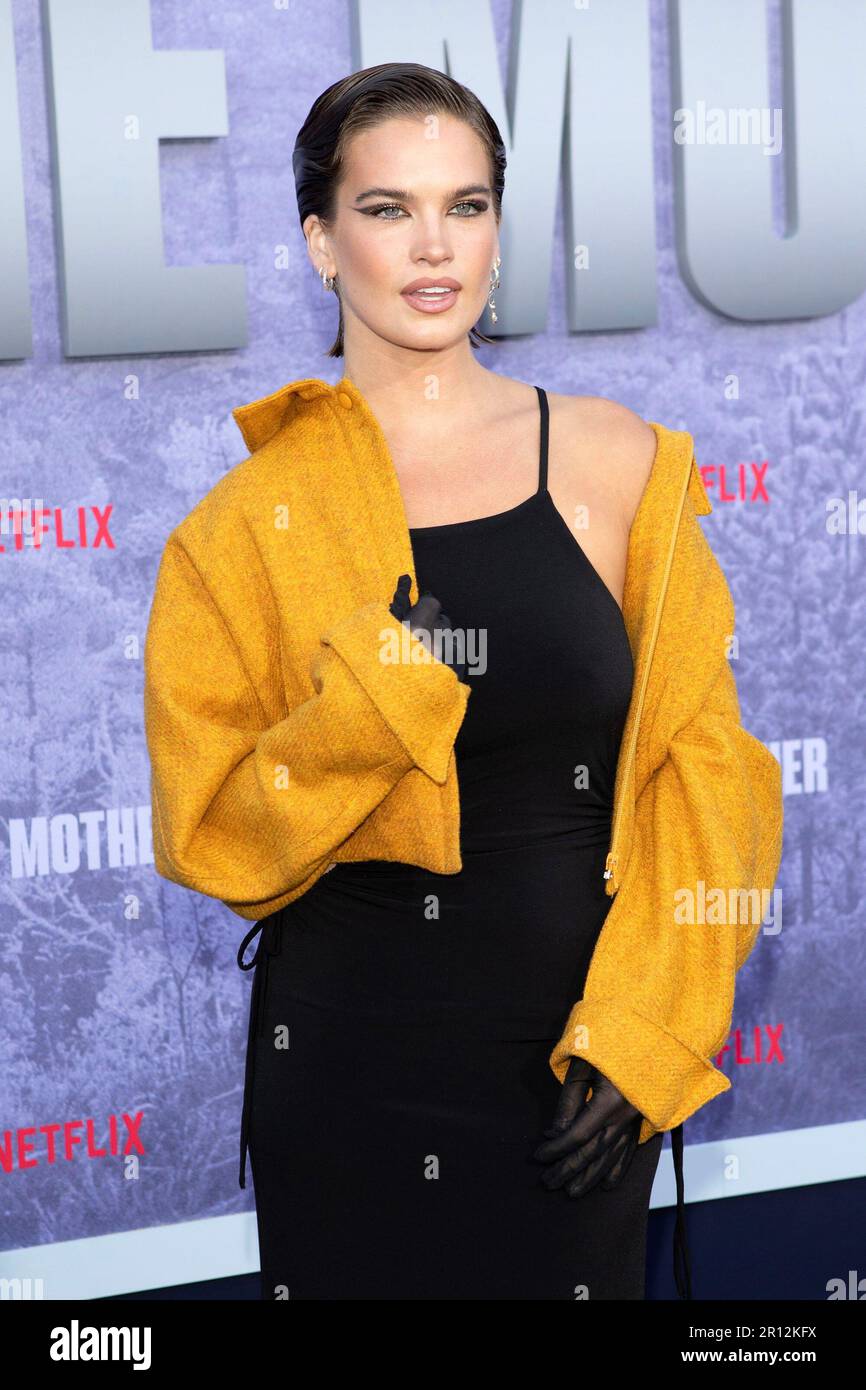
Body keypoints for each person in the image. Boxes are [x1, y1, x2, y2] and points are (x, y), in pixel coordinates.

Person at [144, 62, 784, 1300]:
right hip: (350, 1073)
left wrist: (644, 1027)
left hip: (579, 1064)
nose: (433, 245)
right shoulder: (245, 526)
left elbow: (709, 776)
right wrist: (378, 702)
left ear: (497, 228)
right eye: (386, 209)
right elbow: (209, 831)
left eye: (466, 204)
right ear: (320, 243)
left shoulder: (616, 462)